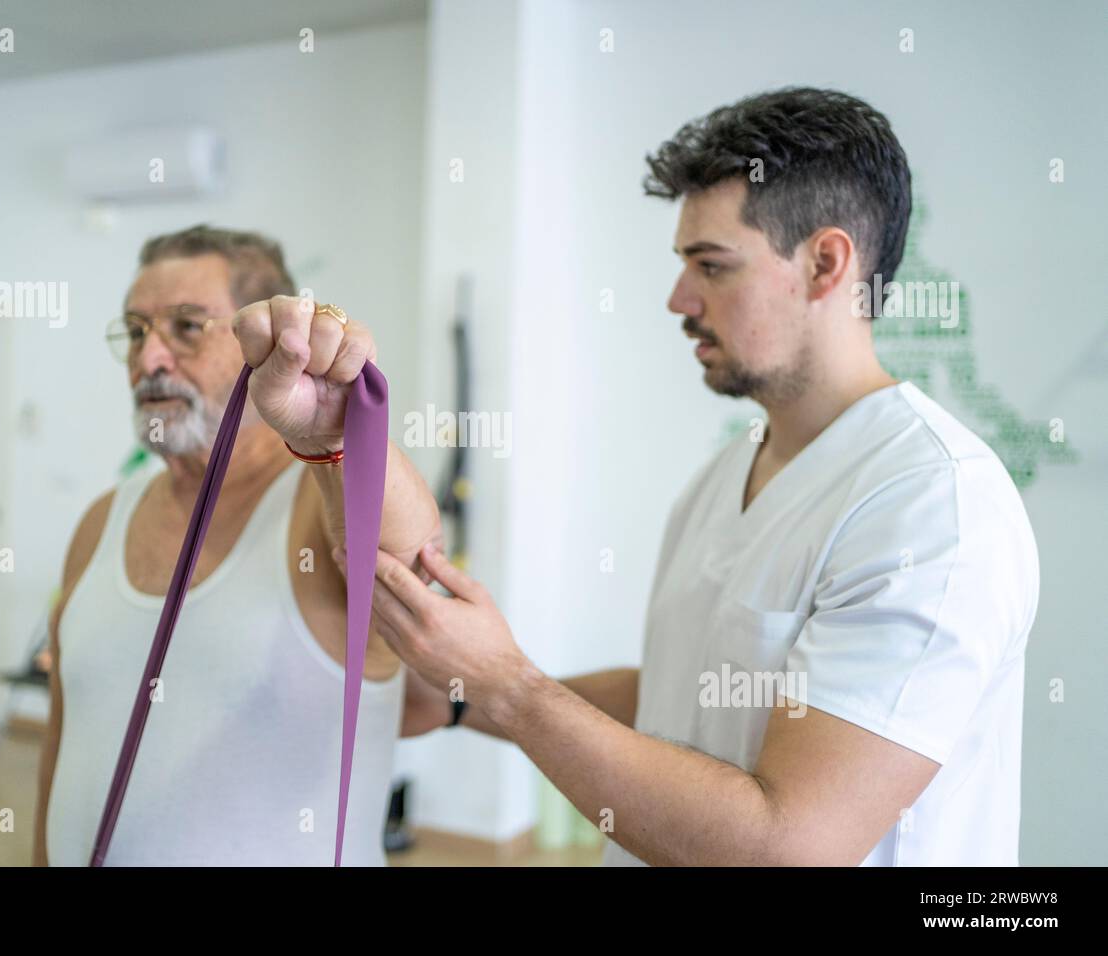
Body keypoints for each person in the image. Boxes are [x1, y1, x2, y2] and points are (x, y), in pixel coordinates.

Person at [363, 88, 1040, 866]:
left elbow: (788, 848)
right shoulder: (725, 476)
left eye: (711, 266)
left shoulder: (932, 507)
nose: (678, 300)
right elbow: (684, 702)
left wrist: (509, 687)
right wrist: (461, 697)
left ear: (826, 263)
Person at [34, 225, 441, 865]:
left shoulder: (318, 503)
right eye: (136, 332)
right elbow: (64, 735)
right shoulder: (102, 520)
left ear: (268, 345)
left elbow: (411, 557)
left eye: (187, 328)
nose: (150, 360)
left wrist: (334, 432)